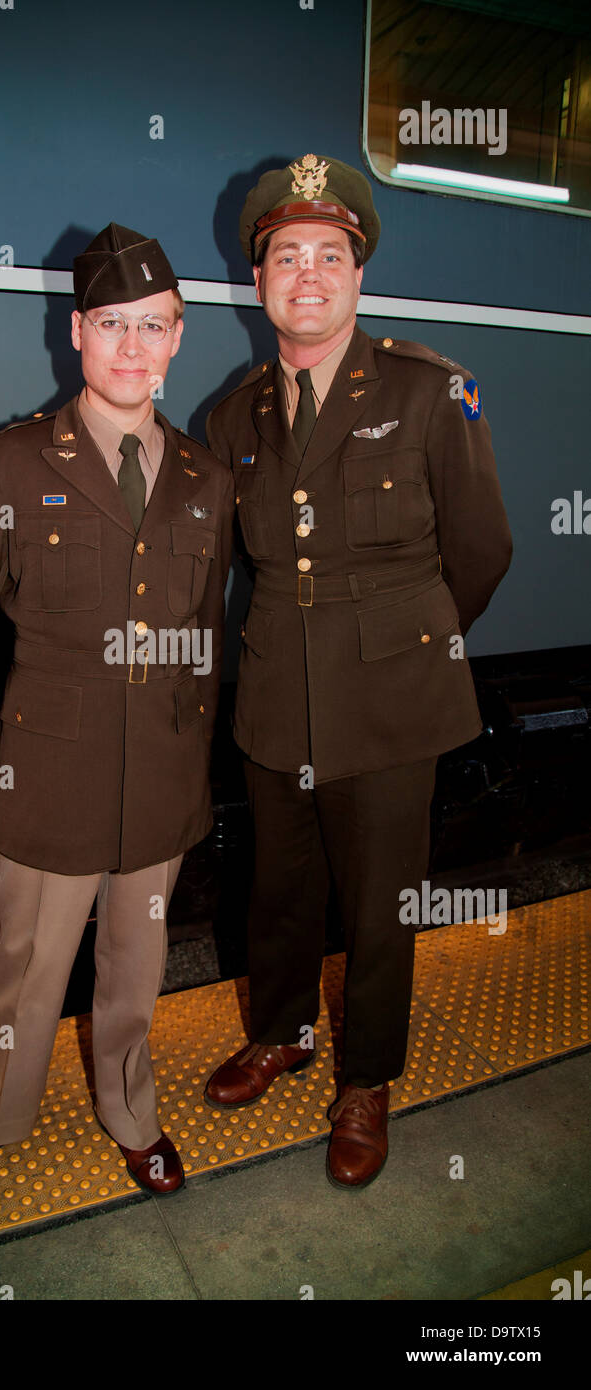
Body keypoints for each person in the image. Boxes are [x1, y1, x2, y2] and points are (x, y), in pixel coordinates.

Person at [204, 154, 512, 1188]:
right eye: (284, 255)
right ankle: (284, 1031)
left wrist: (411, 643)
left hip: (391, 698)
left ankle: (365, 1078)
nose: (305, 273)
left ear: (355, 273)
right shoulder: (231, 415)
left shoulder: (431, 392)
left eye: (325, 255)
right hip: (275, 697)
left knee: (381, 905)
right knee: (277, 892)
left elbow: (480, 550)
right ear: (258, 282)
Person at [0, 222, 234, 1203]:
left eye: (153, 325)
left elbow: (202, 644)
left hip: (157, 794)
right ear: (75, 334)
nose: (131, 346)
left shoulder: (205, 481)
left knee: (133, 975)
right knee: (23, 973)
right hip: (42, 785)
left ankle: (132, 1118)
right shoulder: (4, 464)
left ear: (178, 337)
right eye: (111, 324)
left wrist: (194, 775)